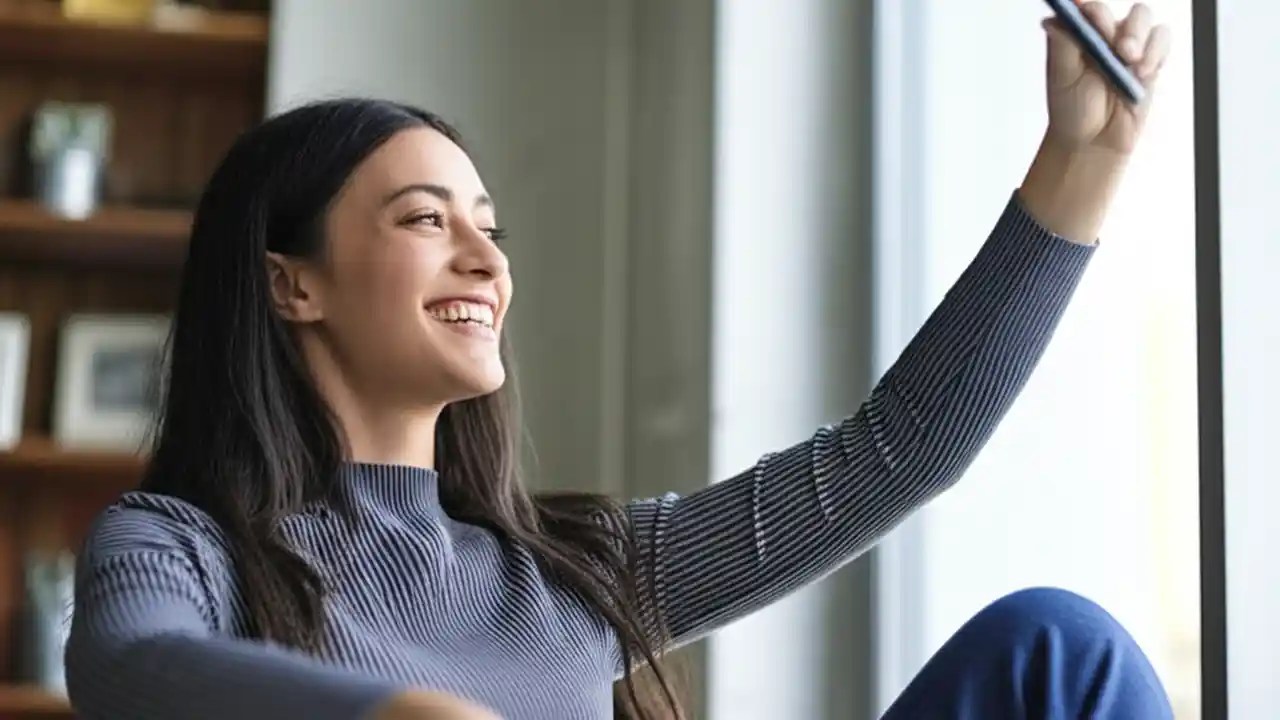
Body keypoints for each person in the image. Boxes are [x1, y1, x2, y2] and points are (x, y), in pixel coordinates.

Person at [64, 3, 1174, 719]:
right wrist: (394, 714)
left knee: (1057, 649)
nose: (483, 259)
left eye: (488, 227)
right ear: (287, 283)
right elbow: (130, 667)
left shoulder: (578, 568)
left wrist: (1079, 161)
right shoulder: (182, 547)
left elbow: (898, 451)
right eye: (423, 218)